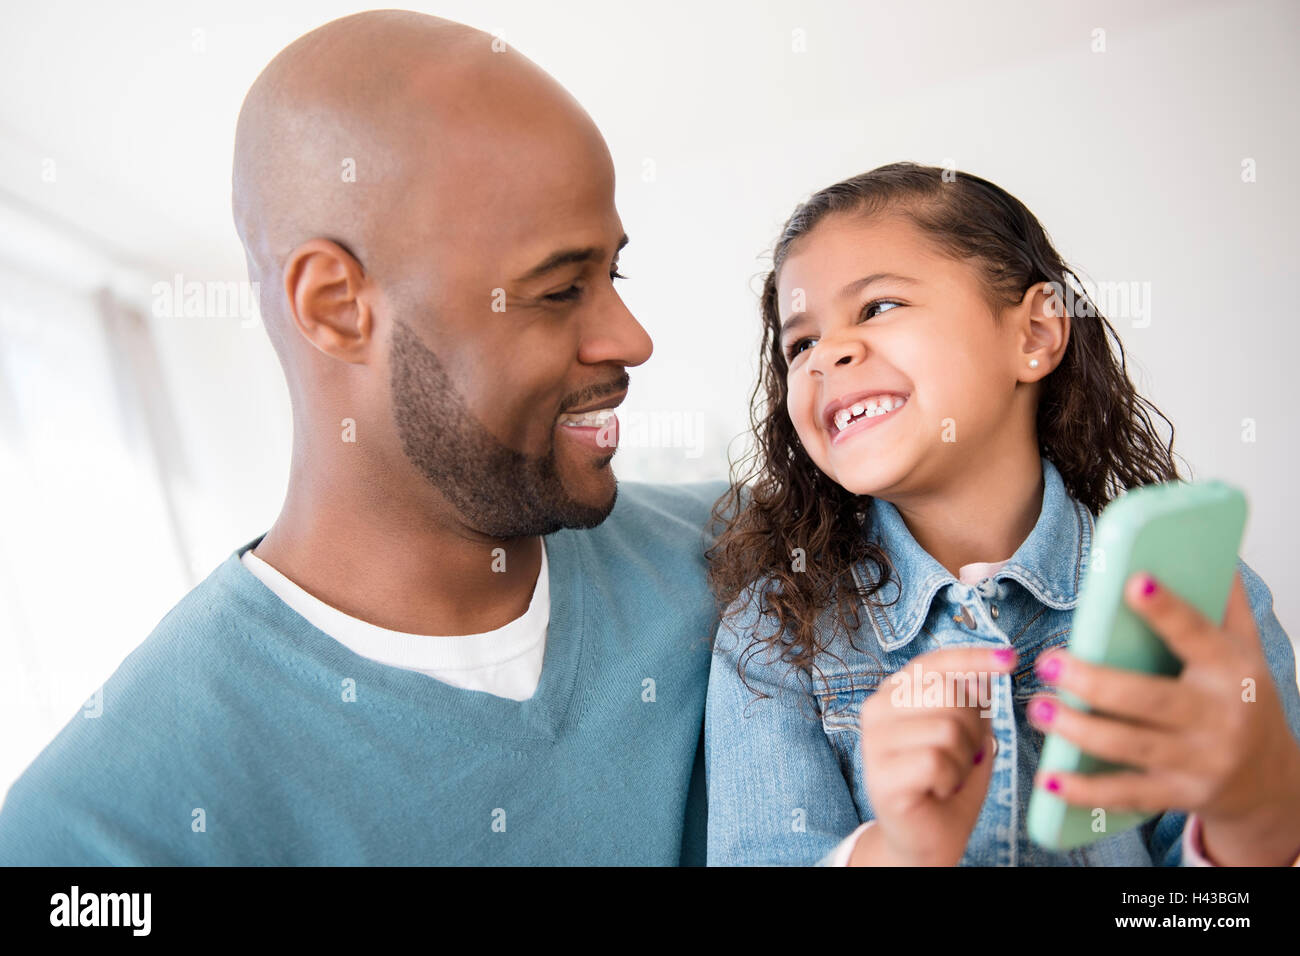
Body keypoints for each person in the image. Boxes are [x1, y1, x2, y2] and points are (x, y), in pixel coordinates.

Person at [0, 10, 725, 865]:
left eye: (616, 273)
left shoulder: (754, 554)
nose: (631, 338)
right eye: (561, 289)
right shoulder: (99, 833)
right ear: (337, 307)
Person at [704, 162, 1300, 866]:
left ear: (1037, 334)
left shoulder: (1199, 602)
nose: (827, 354)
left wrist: (1256, 821)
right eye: (799, 343)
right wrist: (901, 850)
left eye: (879, 307)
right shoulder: (771, 636)